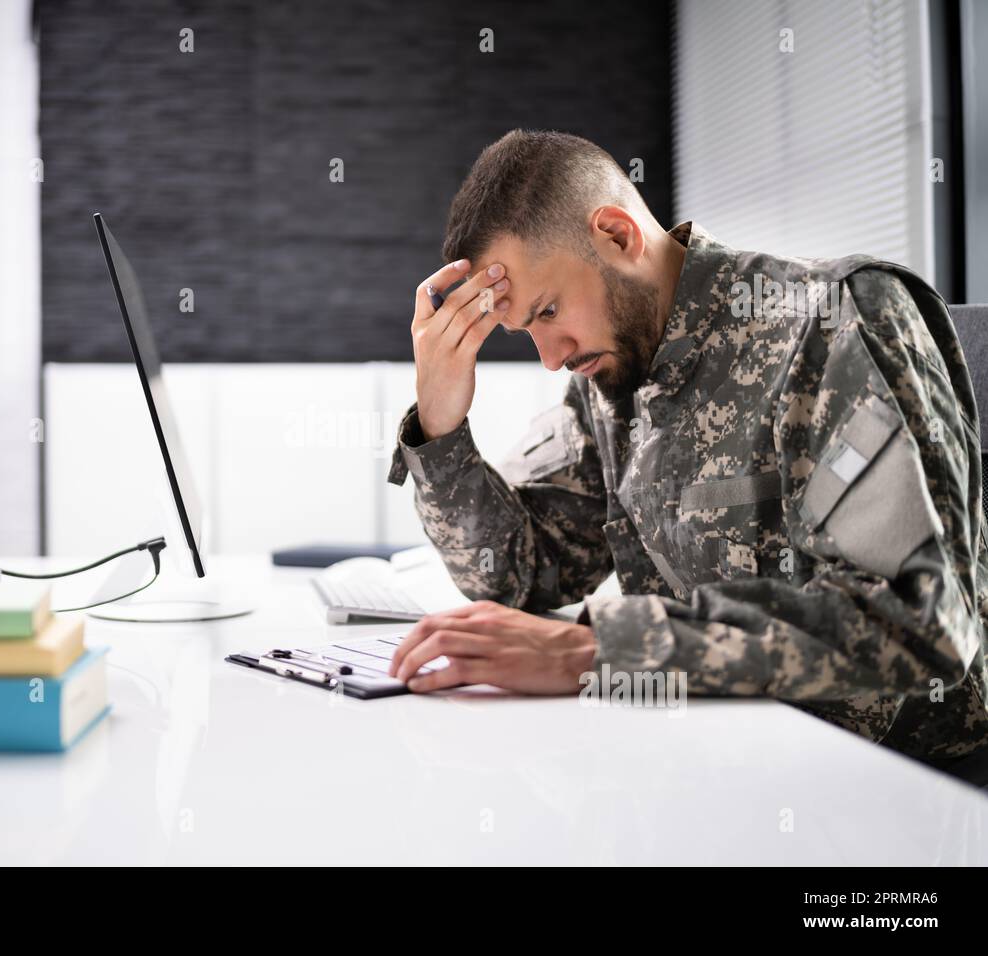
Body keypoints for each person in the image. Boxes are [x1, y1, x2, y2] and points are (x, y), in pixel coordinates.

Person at [386, 129, 988, 778]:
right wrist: (441, 417)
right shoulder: (608, 381)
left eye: (549, 310)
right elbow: (517, 576)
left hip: (898, 793)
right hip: (718, 769)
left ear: (617, 235)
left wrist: (599, 649)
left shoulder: (837, 318)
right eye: (528, 330)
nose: (552, 355)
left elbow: (921, 619)